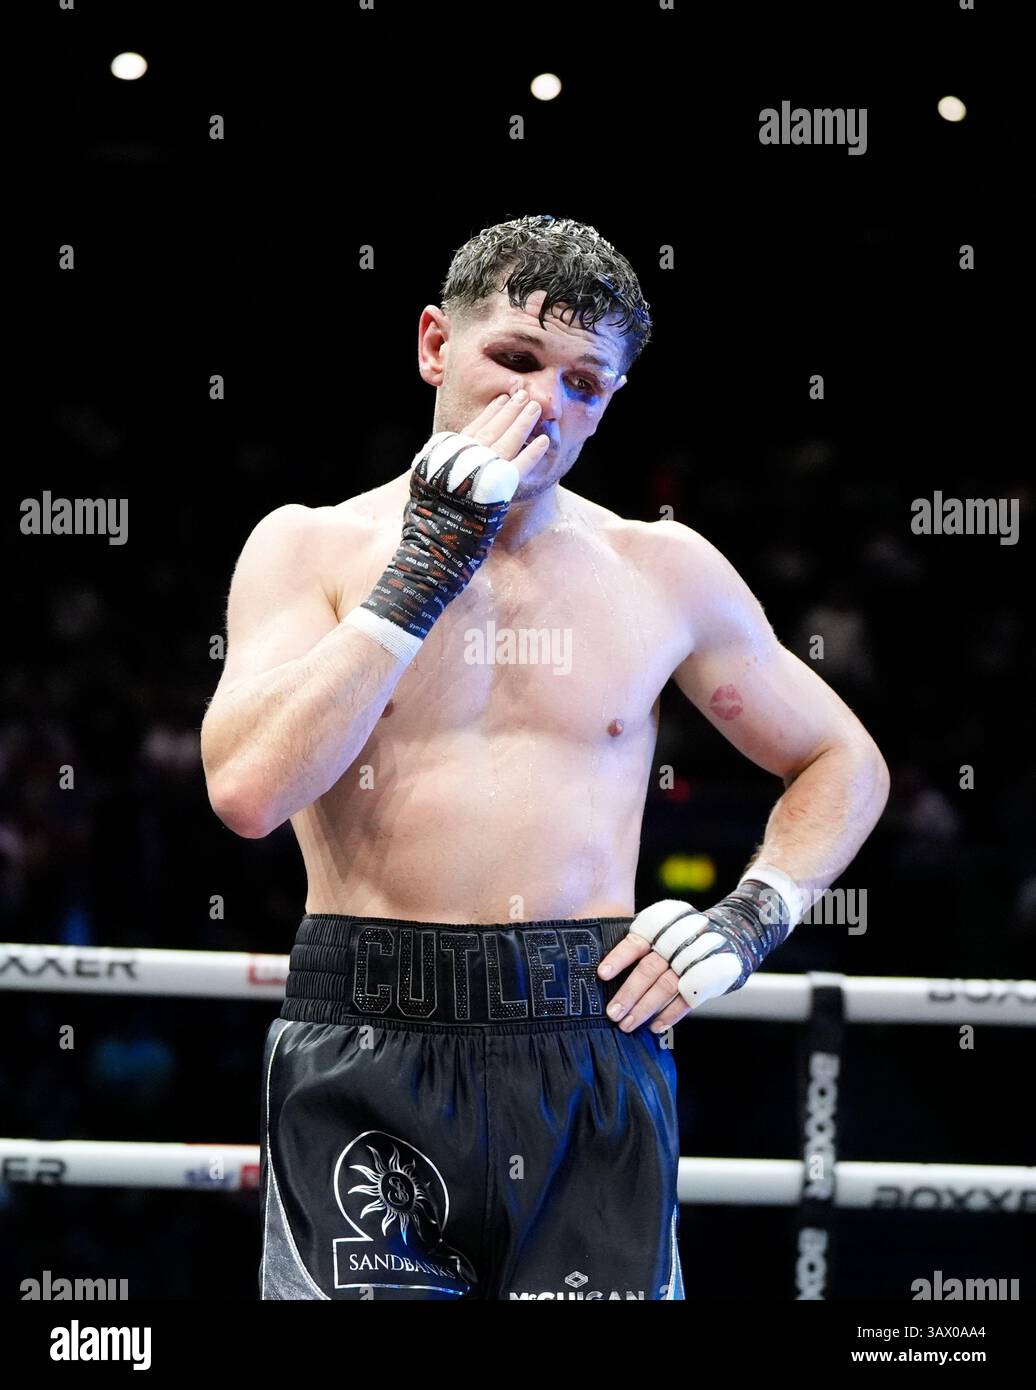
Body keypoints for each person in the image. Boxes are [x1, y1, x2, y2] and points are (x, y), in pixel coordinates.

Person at [200, 214, 889, 1300]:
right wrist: (423, 565)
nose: (543, 408)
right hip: (365, 1035)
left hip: (590, 1032)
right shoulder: (308, 546)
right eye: (514, 362)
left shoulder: (661, 569)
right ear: (435, 345)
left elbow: (843, 759)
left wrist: (751, 915)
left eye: (584, 384)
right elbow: (247, 792)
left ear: (611, 398)